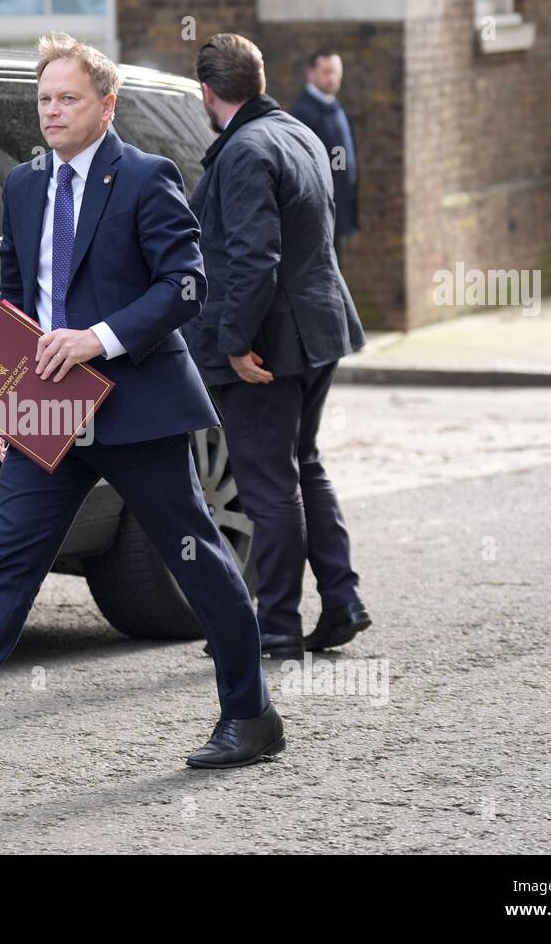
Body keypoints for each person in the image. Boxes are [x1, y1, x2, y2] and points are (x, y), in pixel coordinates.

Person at [0, 31, 284, 784]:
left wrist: (98, 338)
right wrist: (0, 397)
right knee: (8, 558)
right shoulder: (24, 185)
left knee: (194, 555)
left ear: (105, 104)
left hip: (136, 404)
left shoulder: (148, 177)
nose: (51, 112)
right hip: (44, 405)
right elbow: (16, 298)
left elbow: (186, 286)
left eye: (67, 99)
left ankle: (250, 715)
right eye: (44, 99)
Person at [184, 33, 372, 661]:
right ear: (258, 79)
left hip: (270, 345)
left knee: (268, 483)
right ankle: (342, 600)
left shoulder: (244, 152)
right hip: (320, 330)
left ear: (208, 93)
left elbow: (253, 259)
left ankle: (279, 626)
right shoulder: (299, 132)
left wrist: (235, 345)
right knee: (304, 465)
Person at [290, 48, 359, 265]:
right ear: (310, 74)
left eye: (336, 72)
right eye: (326, 71)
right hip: (320, 214)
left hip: (338, 208)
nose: (332, 78)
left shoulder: (335, 108)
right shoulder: (303, 113)